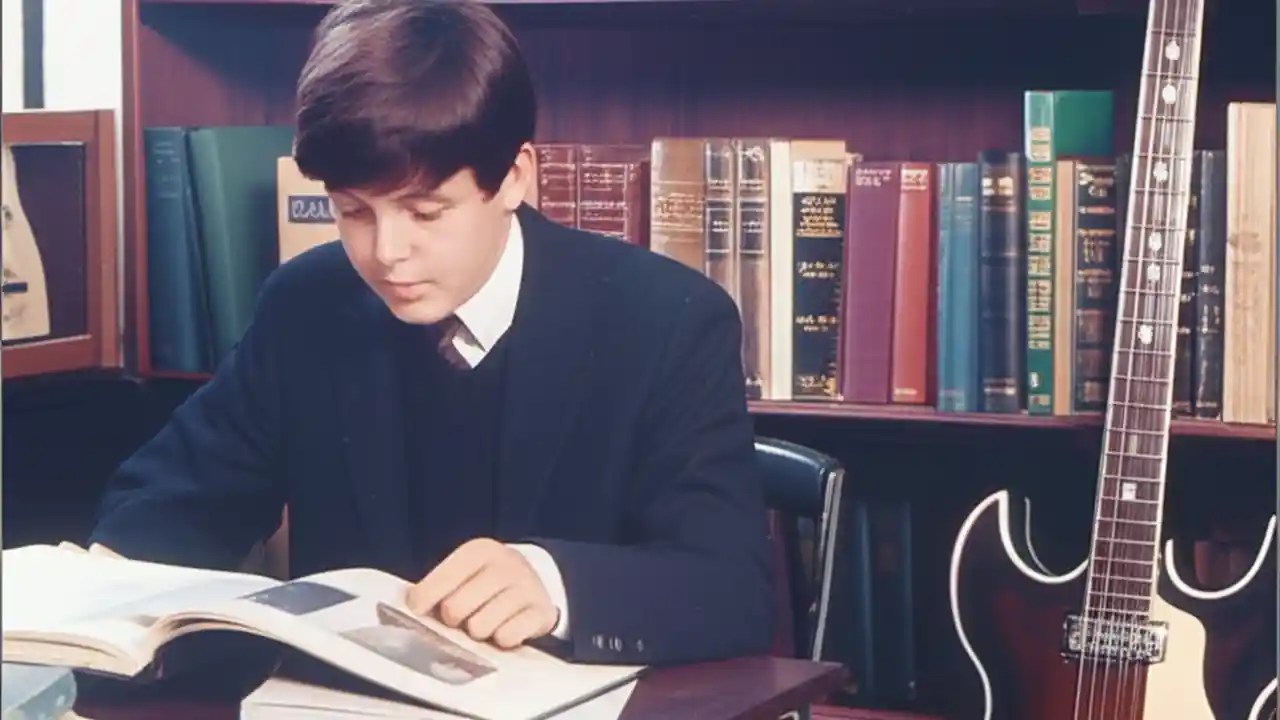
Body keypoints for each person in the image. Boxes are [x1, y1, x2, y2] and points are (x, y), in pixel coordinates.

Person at [86, 0, 772, 667]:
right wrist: (91, 596)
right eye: (354, 212)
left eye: (425, 211)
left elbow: (731, 589)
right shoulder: (309, 302)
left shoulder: (668, 319)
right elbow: (176, 501)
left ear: (513, 179)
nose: (387, 253)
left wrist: (554, 582)